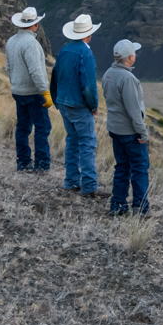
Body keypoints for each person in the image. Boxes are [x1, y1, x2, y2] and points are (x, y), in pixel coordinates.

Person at [49, 13, 107, 198]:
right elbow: (88, 85)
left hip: (64, 103)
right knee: (87, 143)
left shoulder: (64, 50)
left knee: (72, 141)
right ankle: (89, 186)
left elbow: (55, 77)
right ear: (88, 34)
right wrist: (94, 106)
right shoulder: (86, 53)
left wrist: (57, 100)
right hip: (79, 105)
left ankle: (71, 181)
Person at [102, 38, 151, 216]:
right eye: (134, 53)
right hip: (130, 132)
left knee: (122, 167)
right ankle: (140, 207)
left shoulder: (108, 73)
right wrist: (142, 132)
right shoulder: (128, 78)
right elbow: (134, 110)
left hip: (115, 129)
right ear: (130, 57)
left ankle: (118, 205)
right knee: (140, 168)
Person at [4, 6, 53, 173]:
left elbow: (9, 67)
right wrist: (45, 91)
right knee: (42, 127)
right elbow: (36, 71)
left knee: (23, 128)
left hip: (18, 91)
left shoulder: (11, 41)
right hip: (33, 93)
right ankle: (42, 165)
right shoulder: (31, 43)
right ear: (35, 24)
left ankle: (23, 162)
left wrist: (14, 84)